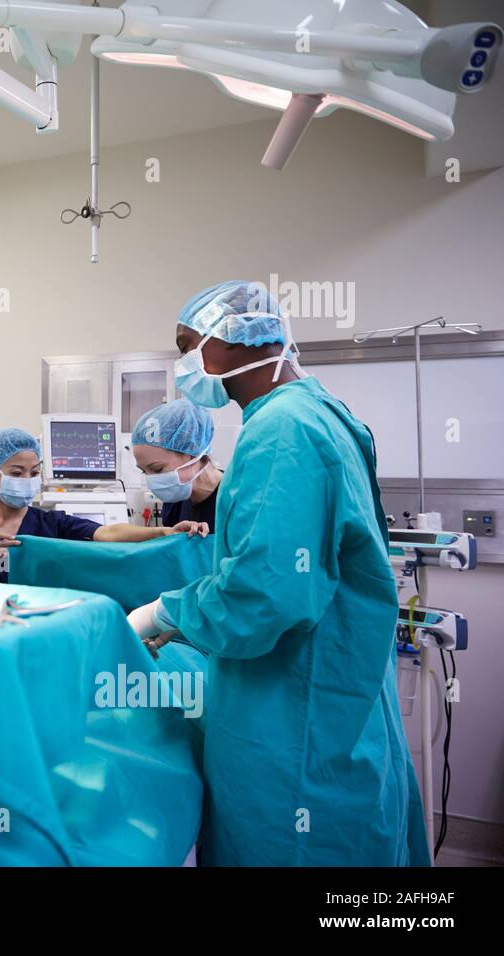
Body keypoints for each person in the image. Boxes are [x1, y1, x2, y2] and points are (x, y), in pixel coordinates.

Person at [127, 279, 427, 866]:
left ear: (238, 344)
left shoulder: (281, 430)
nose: (184, 364)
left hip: (294, 734)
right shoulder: (323, 414)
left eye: (190, 346)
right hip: (342, 707)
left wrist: (165, 611)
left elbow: (263, 595)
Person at [0, 428, 208, 583]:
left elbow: (108, 533)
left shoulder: (51, 523)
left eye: (34, 472)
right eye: (17, 473)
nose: (27, 480)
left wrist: (166, 532)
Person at [130, 399, 223, 532]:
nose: (151, 481)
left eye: (157, 469)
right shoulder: (176, 497)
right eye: (144, 471)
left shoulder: (235, 497)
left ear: (191, 452)